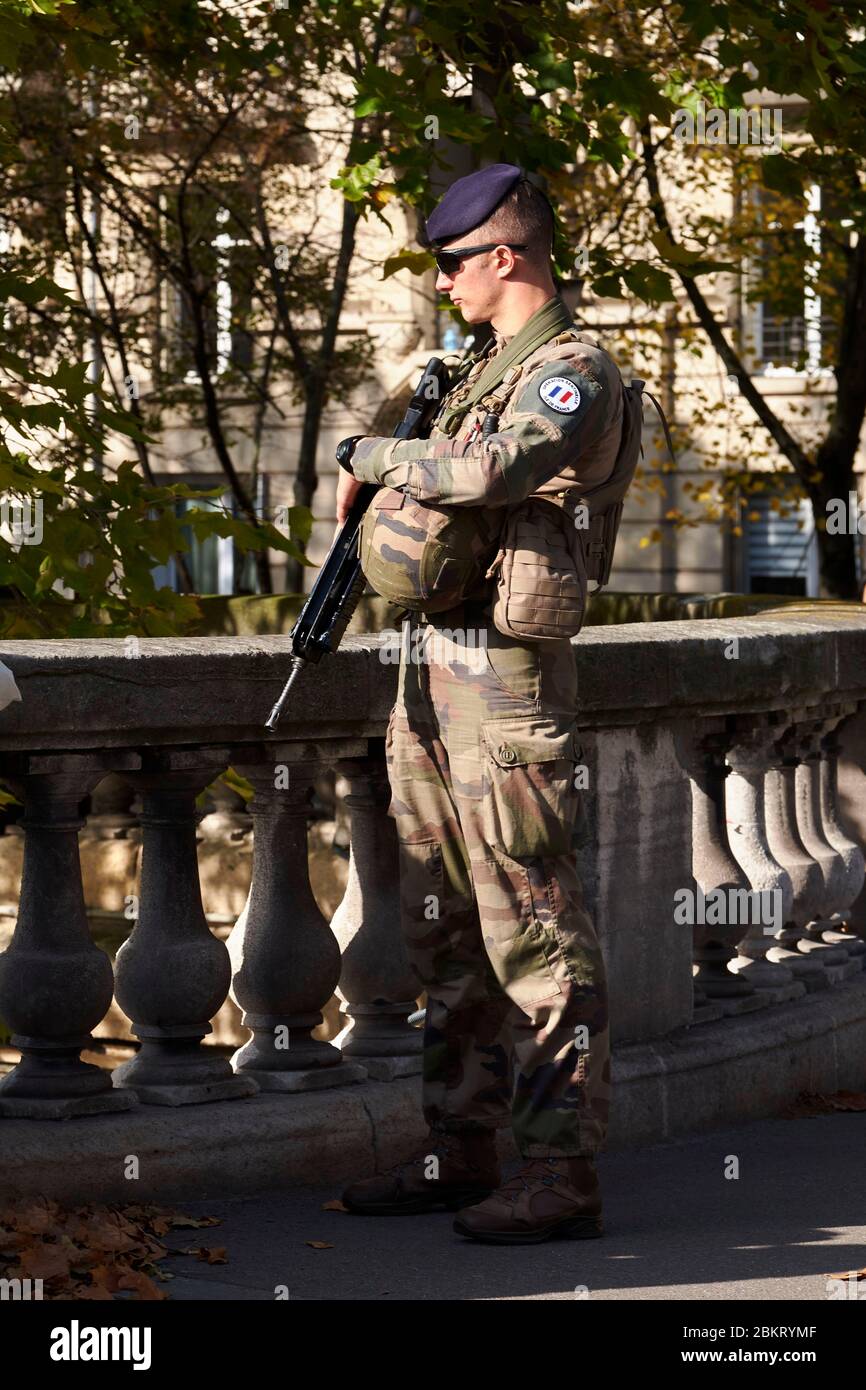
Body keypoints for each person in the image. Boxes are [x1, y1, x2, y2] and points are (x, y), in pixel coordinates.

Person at [335, 164, 624, 1244]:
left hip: (505, 691)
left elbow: (495, 470)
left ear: (504, 256)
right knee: (443, 931)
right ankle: (461, 1152)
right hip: (431, 678)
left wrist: (376, 456)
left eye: (452, 263)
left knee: (536, 935)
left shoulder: (571, 368)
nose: (441, 281)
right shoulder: (467, 370)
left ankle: (562, 1176)